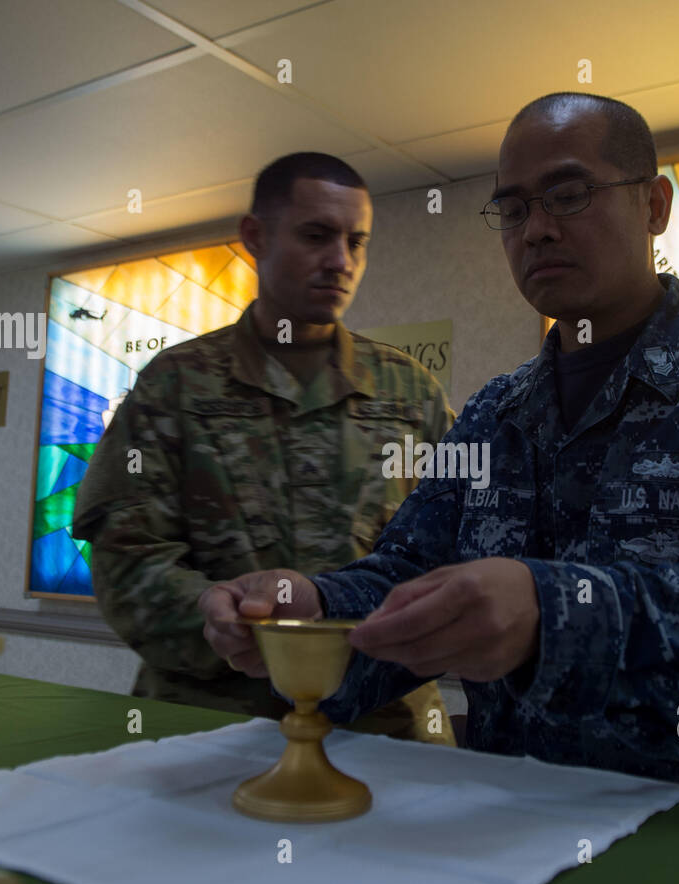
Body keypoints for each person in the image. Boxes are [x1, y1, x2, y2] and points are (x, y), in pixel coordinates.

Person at [197, 95, 679, 797]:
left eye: (568, 195)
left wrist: (554, 615)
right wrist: (312, 606)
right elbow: (410, 577)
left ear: (654, 206)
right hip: (503, 842)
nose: (535, 230)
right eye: (512, 209)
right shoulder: (495, 412)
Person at [72, 152, 455, 745]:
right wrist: (207, 613)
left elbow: (458, 543)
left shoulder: (411, 393)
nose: (341, 261)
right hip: (209, 725)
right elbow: (125, 552)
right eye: (316, 235)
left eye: (357, 242)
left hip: (383, 730)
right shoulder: (176, 384)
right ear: (255, 236)